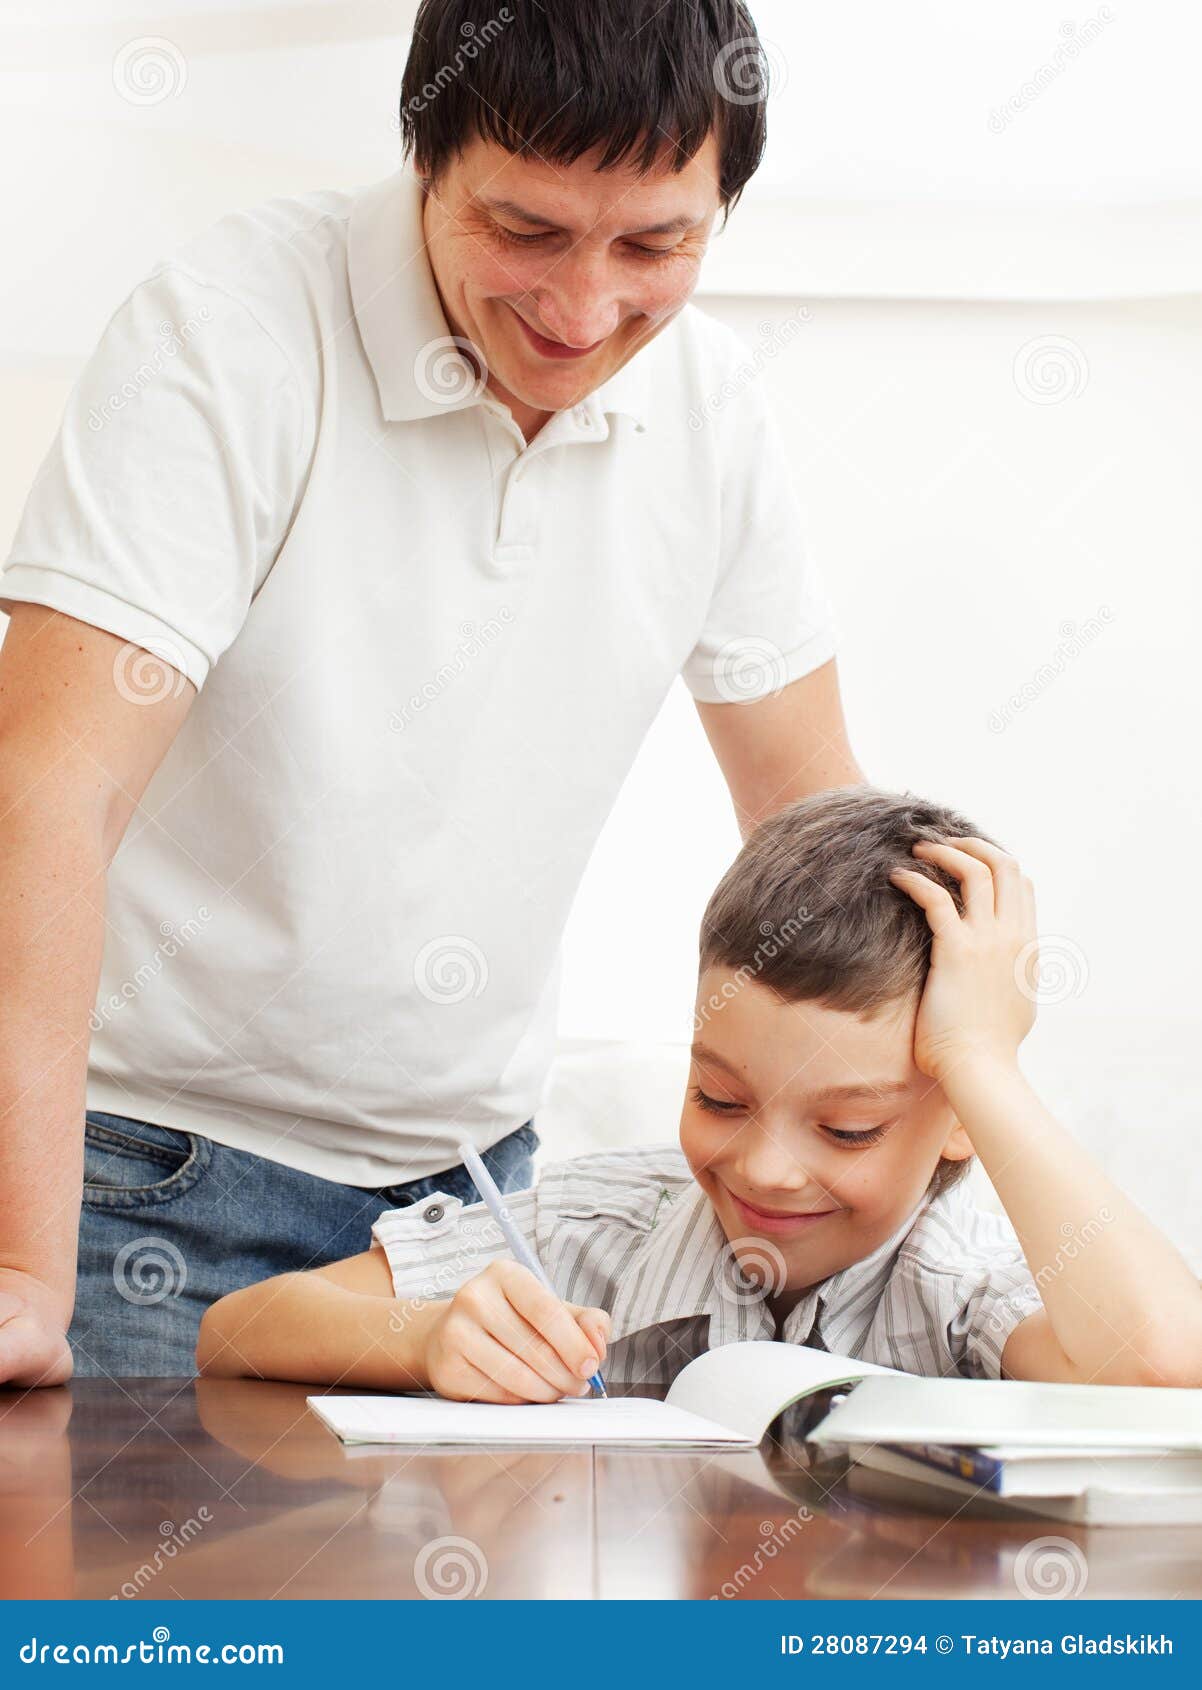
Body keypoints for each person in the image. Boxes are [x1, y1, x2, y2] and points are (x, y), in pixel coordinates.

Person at [0, 0, 862, 1385]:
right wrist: (22, 1267)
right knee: (139, 1539)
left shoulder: (709, 407)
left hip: (468, 1212)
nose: (582, 311)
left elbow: (809, 824)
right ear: (424, 154)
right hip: (136, 1186)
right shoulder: (226, 334)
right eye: (523, 230)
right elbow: (49, 787)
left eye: (653, 246)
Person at [196, 787, 1202, 1394]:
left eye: (847, 1128)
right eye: (719, 1099)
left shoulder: (965, 1284)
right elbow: (235, 1330)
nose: (764, 1169)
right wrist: (425, 1340)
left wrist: (981, 1060)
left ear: (959, 1122)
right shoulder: (590, 1232)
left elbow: (1163, 1365)